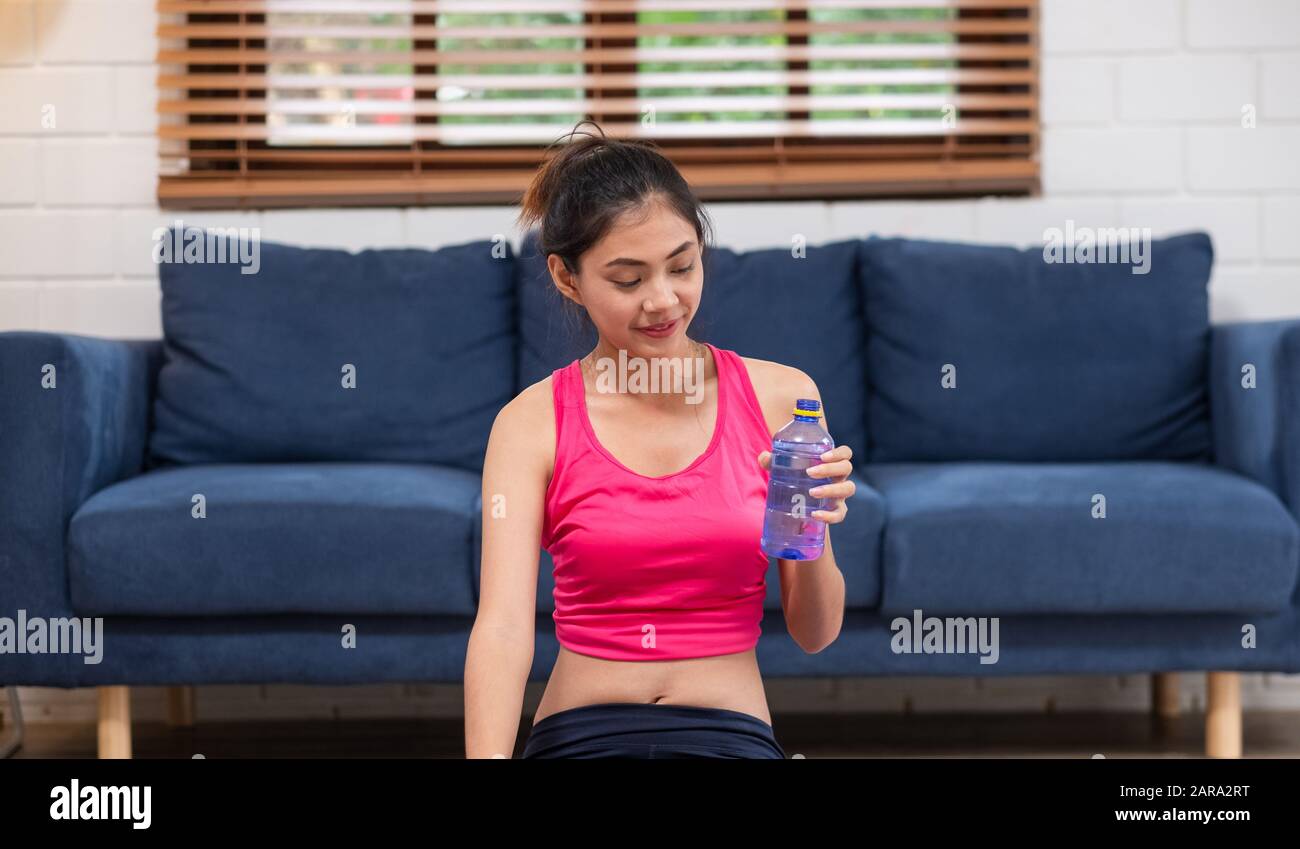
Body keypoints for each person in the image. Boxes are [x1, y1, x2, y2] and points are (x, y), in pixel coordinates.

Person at [464, 121, 855, 759]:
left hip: (729, 733)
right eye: (627, 279)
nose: (663, 300)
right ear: (567, 277)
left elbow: (815, 633)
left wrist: (811, 528)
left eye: (682, 266)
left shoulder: (783, 401)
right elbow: (504, 628)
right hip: (580, 734)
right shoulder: (530, 423)